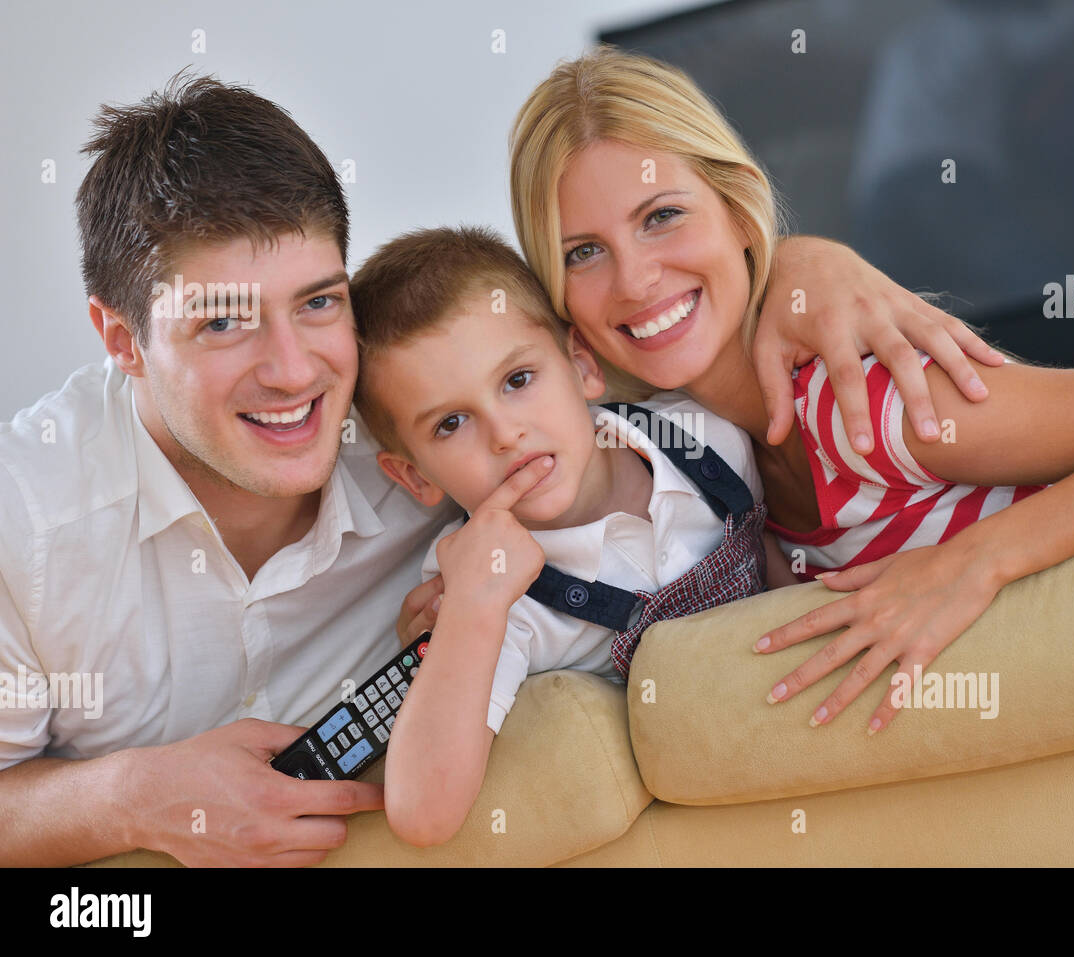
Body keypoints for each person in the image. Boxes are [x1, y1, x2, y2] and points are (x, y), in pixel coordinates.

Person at [0, 73, 1000, 867]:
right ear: (121, 338)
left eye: (314, 302)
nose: (293, 372)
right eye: (222, 323)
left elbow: (594, 313)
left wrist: (801, 267)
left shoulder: (424, 431)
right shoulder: (27, 522)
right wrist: (125, 797)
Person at [503, 46, 1074, 735]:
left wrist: (975, 562)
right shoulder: (710, 470)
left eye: (663, 216)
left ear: (739, 209)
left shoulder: (864, 405)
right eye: (582, 253)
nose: (636, 279)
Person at [350, 226, 779, 845]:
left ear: (580, 365)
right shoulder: (493, 600)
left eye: (518, 380)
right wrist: (472, 609)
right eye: (451, 423)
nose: (504, 433)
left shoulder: (707, 437)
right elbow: (422, 813)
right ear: (415, 476)